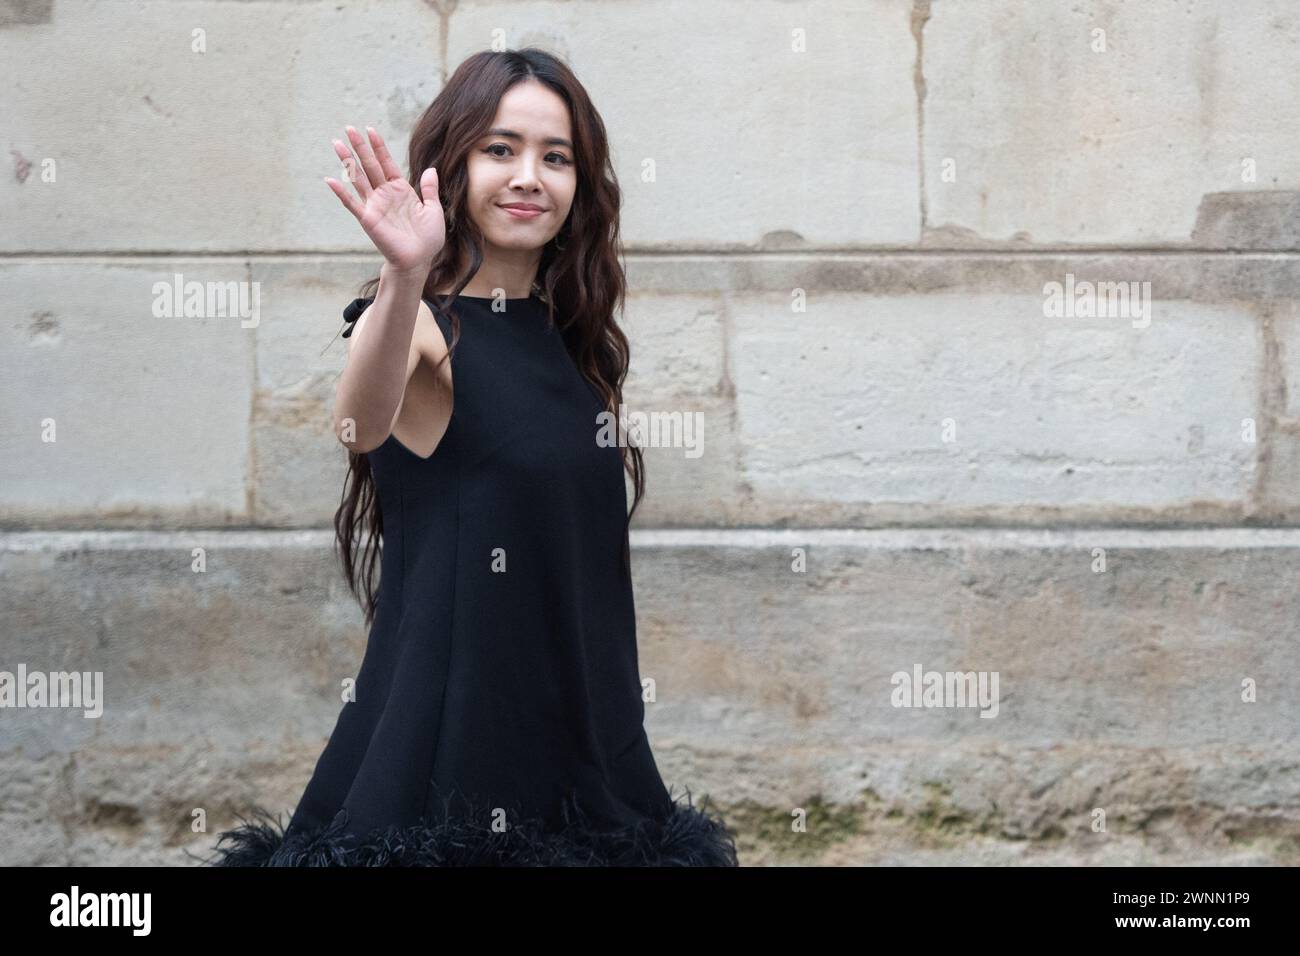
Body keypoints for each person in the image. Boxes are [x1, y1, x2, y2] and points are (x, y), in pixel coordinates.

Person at [200, 48, 738, 866]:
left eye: (555, 157)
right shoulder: (419, 323)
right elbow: (359, 426)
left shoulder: (569, 340)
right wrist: (403, 275)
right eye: (500, 149)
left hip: (582, 745)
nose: (528, 177)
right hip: (453, 756)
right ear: (454, 165)